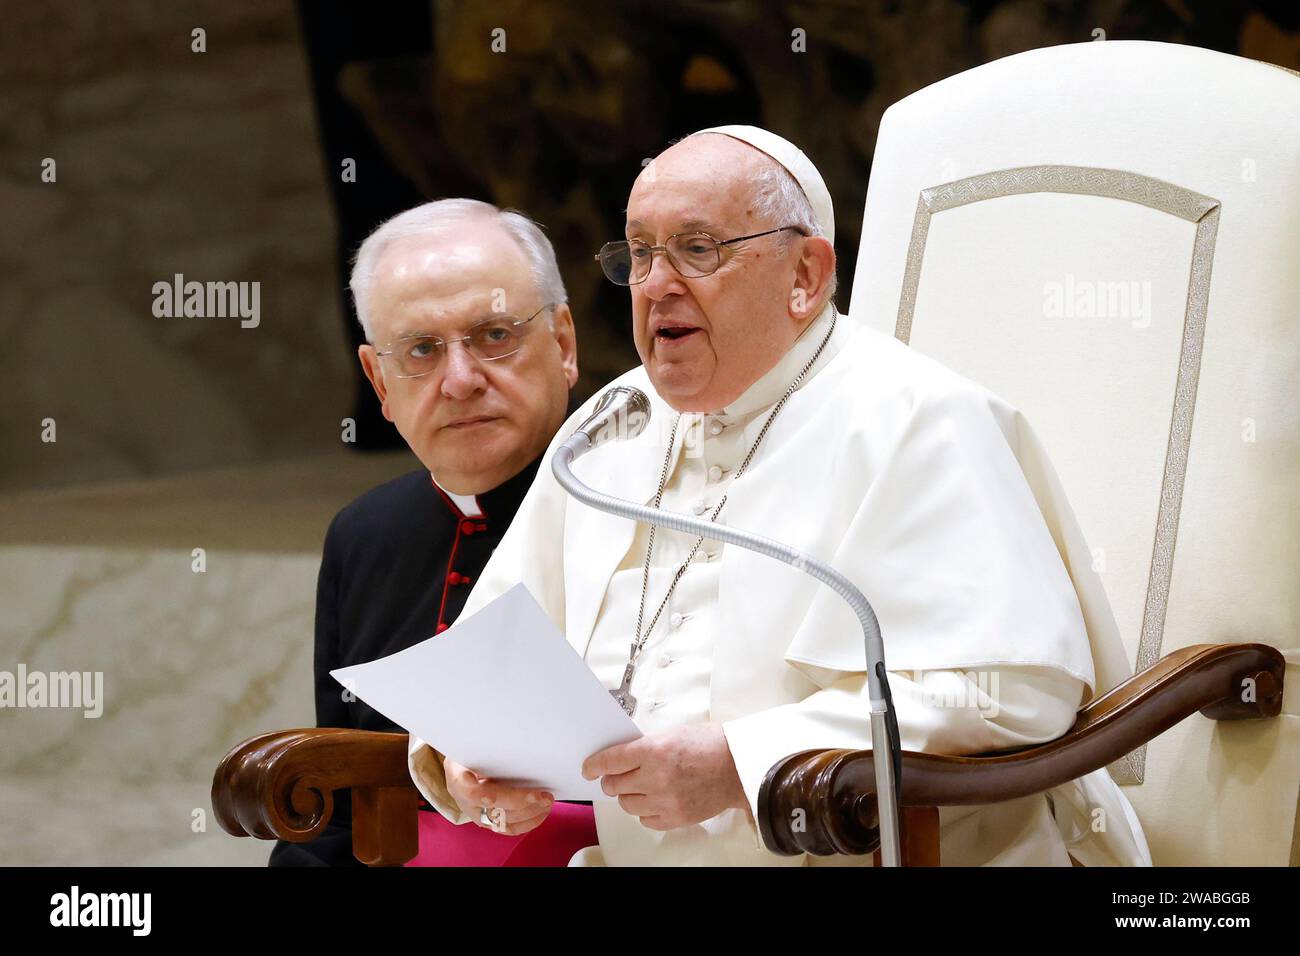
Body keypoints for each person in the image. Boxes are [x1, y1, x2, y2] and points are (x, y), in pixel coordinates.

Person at [407, 128, 1152, 866]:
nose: (657, 283)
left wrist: (740, 762)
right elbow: (492, 657)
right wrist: (467, 751)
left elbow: (1014, 693)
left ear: (805, 274)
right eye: (639, 254)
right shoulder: (612, 425)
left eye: (698, 249)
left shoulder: (916, 419)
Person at [270, 198, 595, 866]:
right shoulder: (366, 535)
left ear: (563, 344)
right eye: (421, 350)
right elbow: (338, 798)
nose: (461, 380)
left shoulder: (648, 503)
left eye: (495, 335)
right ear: (378, 383)